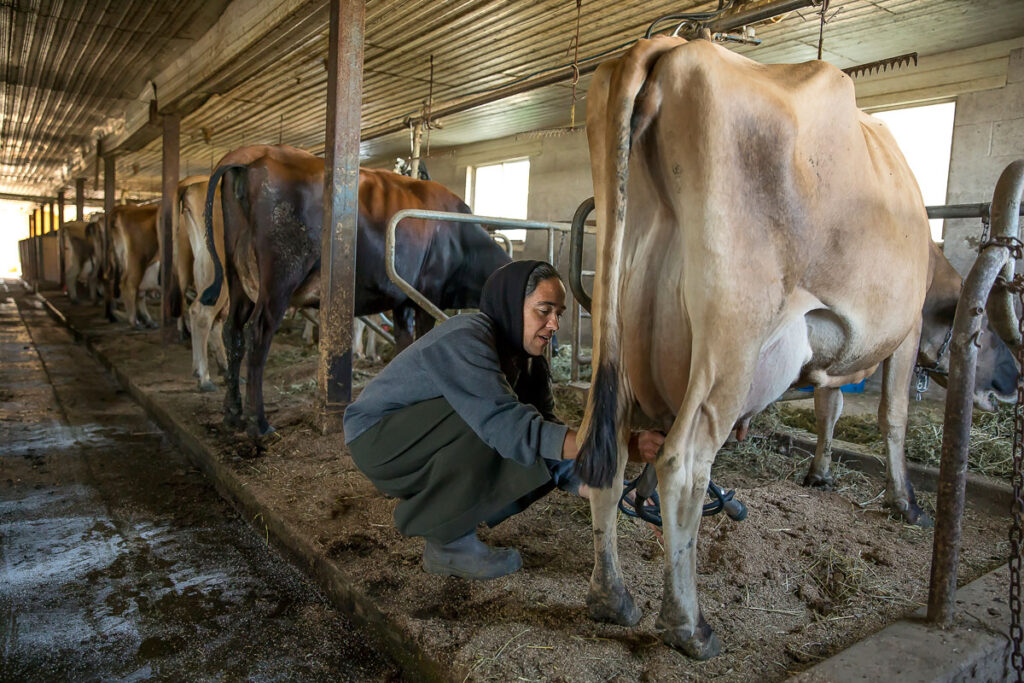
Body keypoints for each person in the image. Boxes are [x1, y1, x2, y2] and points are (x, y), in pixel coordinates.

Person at [344, 260, 664, 580]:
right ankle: (448, 545)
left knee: (529, 430)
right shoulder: (467, 338)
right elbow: (509, 428)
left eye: (559, 314)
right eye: (544, 310)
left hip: (419, 437)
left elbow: (552, 447)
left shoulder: (528, 363)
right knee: (501, 424)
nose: (554, 324)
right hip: (377, 439)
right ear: (511, 303)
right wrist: (619, 444)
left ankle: (446, 522)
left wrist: (618, 490)